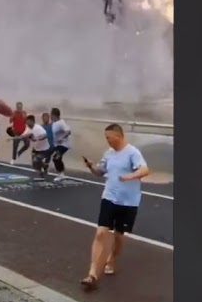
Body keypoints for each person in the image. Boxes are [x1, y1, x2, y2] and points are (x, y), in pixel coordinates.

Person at [79, 124, 150, 290]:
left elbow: (145, 170)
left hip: (128, 202)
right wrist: (91, 166)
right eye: (106, 138)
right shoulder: (108, 154)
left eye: (108, 137)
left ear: (118, 136)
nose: (107, 141)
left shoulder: (132, 152)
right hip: (109, 198)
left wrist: (130, 176)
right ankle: (92, 274)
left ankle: (112, 260)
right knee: (101, 232)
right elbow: (100, 172)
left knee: (119, 236)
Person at [26, 114, 54, 179]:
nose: (45, 119)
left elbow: (48, 136)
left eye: (46, 118)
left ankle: (45, 167)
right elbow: (35, 137)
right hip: (40, 147)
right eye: (44, 118)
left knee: (39, 159)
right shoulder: (39, 127)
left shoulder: (52, 126)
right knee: (35, 161)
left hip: (49, 147)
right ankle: (44, 168)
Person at [49, 107, 71, 176]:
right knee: (56, 158)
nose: (50, 116)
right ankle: (61, 172)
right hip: (57, 145)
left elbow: (68, 132)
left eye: (51, 115)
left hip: (63, 145)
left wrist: (61, 138)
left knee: (56, 158)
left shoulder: (61, 122)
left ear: (54, 115)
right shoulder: (53, 123)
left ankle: (61, 174)